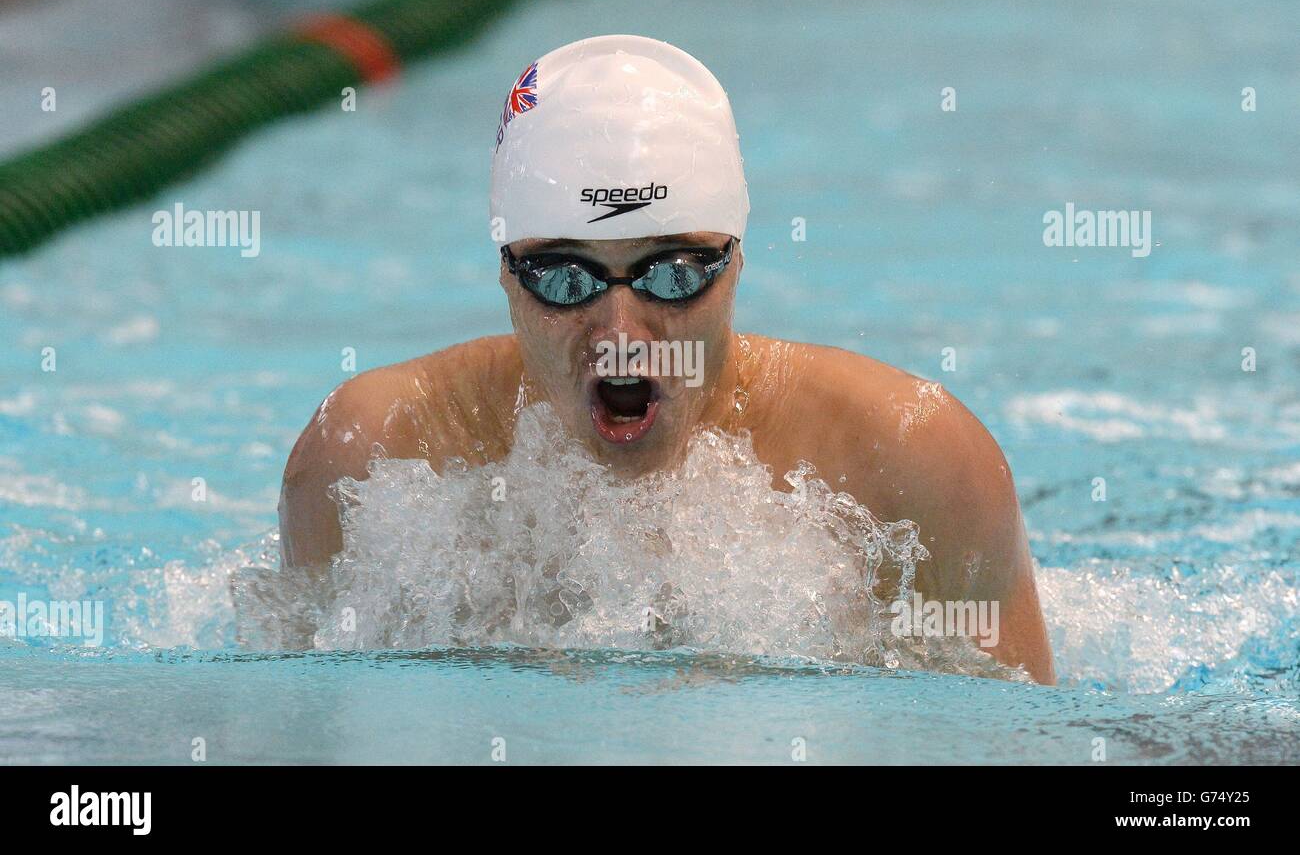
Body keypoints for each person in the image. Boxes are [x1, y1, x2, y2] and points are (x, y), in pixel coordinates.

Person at [279, 34, 1055, 683]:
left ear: (737, 262)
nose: (620, 331)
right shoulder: (370, 462)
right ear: (507, 275)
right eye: (563, 276)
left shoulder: (912, 460)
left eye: (673, 274)